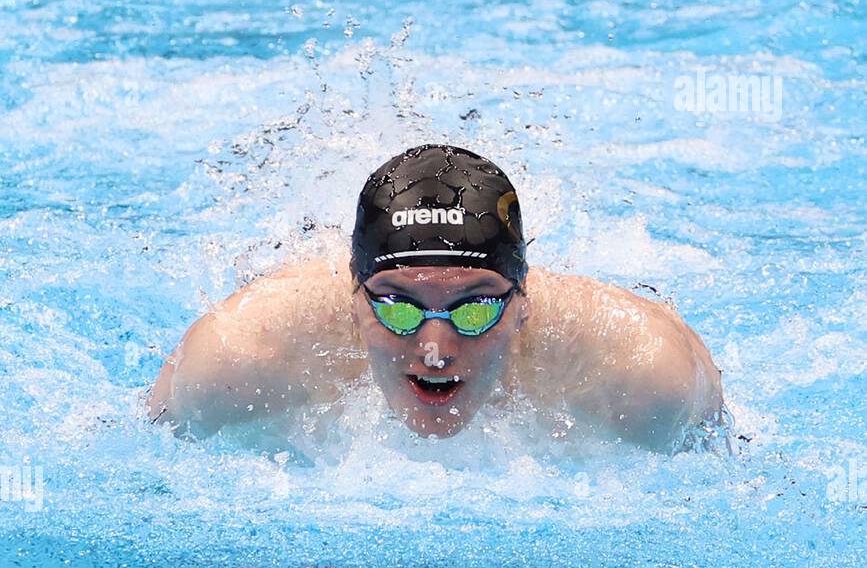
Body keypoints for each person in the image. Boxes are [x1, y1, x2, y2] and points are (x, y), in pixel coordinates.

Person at [147, 143, 724, 447]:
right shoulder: (239, 357)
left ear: (523, 306)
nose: (436, 351)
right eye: (399, 308)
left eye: (474, 309)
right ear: (353, 301)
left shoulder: (642, 374)